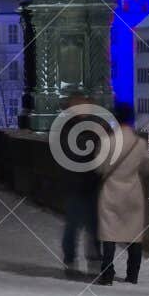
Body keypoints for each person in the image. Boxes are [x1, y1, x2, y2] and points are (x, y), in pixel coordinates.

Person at [95, 105, 148, 285]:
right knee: (134, 235)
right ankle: (132, 275)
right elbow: (148, 168)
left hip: (111, 192)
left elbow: (99, 168)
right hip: (133, 193)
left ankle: (107, 274)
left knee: (109, 235)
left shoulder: (107, 142)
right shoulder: (140, 143)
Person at [59, 91, 102, 277]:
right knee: (74, 226)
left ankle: (93, 260)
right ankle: (71, 261)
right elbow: (75, 153)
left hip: (90, 184)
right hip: (77, 185)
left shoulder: (89, 125)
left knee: (93, 226)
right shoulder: (68, 128)